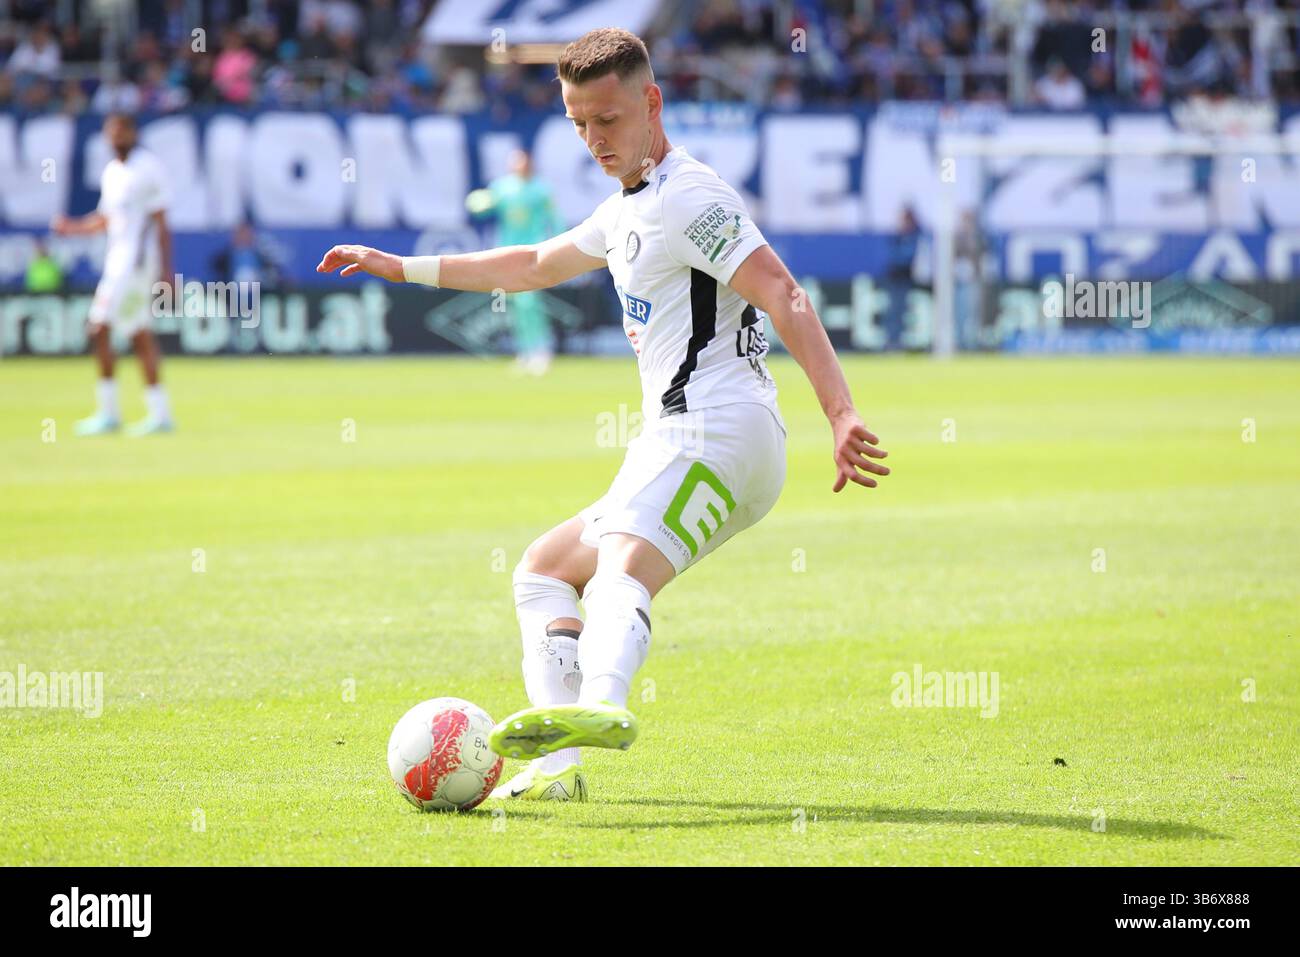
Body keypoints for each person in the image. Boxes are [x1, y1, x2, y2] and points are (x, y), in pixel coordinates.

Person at [316, 28, 888, 801]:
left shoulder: (690, 195)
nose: (593, 140)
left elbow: (783, 291)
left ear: (651, 103)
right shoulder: (627, 209)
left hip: (720, 428)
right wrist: (401, 266)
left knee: (621, 566)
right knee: (543, 572)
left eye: (608, 121)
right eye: (578, 123)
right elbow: (530, 264)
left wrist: (842, 412)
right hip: (684, 437)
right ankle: (557, 770)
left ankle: (605, 703)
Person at [53, 113, 175, 436]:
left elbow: (162, 222)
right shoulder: (112, 172)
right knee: (137, 334)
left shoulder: (148, 166)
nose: (115, 138)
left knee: (98, 327)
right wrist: (73, 227)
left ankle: (109, 412)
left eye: (120, 131)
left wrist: (167, 272)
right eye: (111, 133)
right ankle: (159, 413)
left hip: (135, 263)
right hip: (117, 260)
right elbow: (107, 219)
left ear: (132, 132)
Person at [466, 149, 563, 374]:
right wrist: (477, 202)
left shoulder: (540, 189)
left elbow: (555, 219)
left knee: (530, 302)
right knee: (516, 305)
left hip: (532, 251)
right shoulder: (503, 187)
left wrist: (558, 244)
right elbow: (482, 208)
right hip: (507, 252)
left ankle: (541, 349)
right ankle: (526, 350)